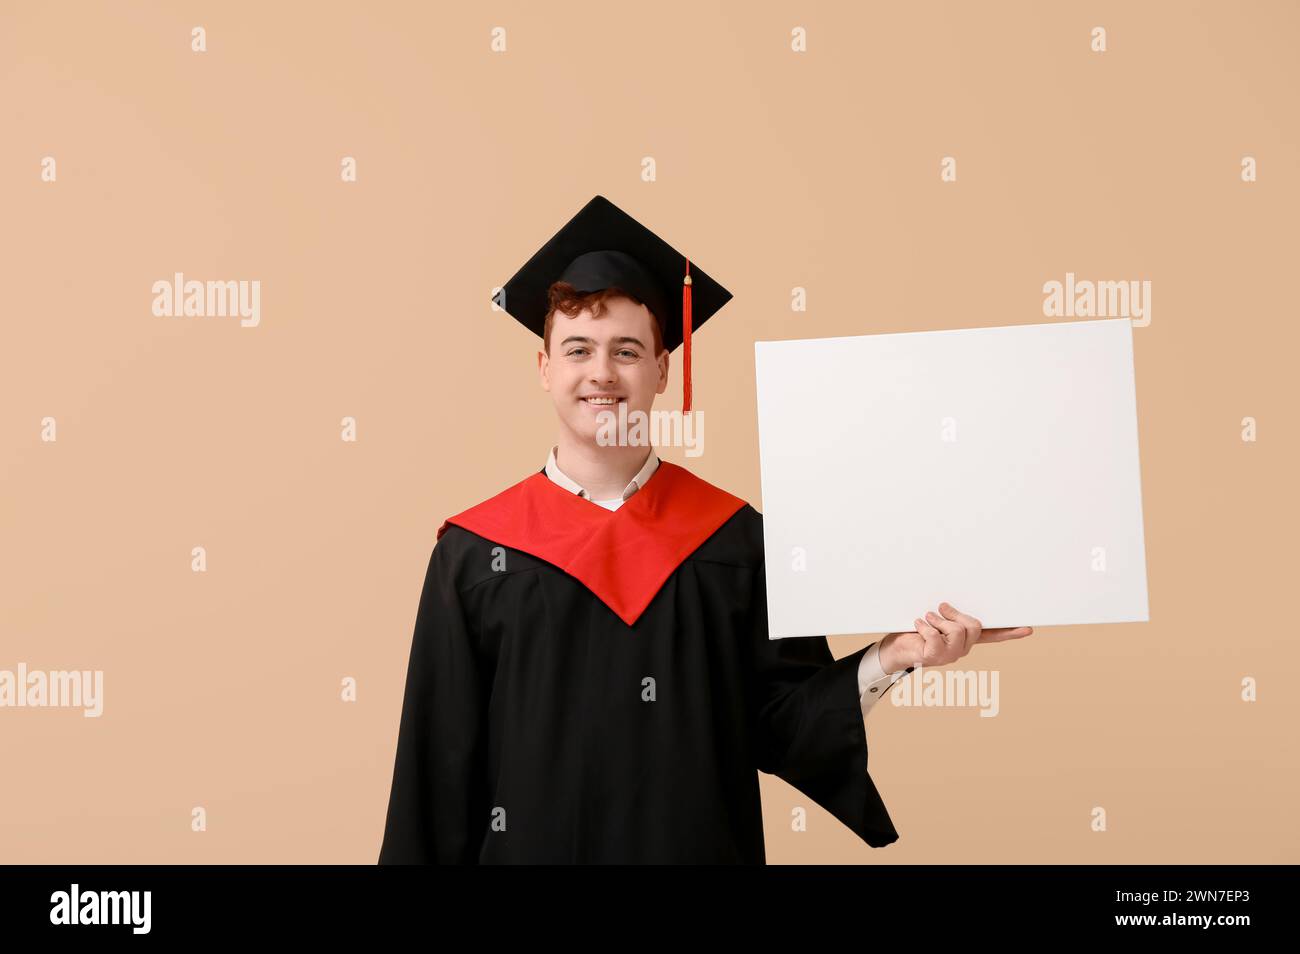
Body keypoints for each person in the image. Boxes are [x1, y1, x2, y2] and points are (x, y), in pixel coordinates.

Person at [377, 195, 1032, 864]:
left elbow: (784, 726)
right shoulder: (475, 554)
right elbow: (436, 775)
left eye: (627, 350)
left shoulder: (734, 542)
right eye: (578, 349)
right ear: (544, 368)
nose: (601, 372)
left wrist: (894, 656)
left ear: (664, 368)